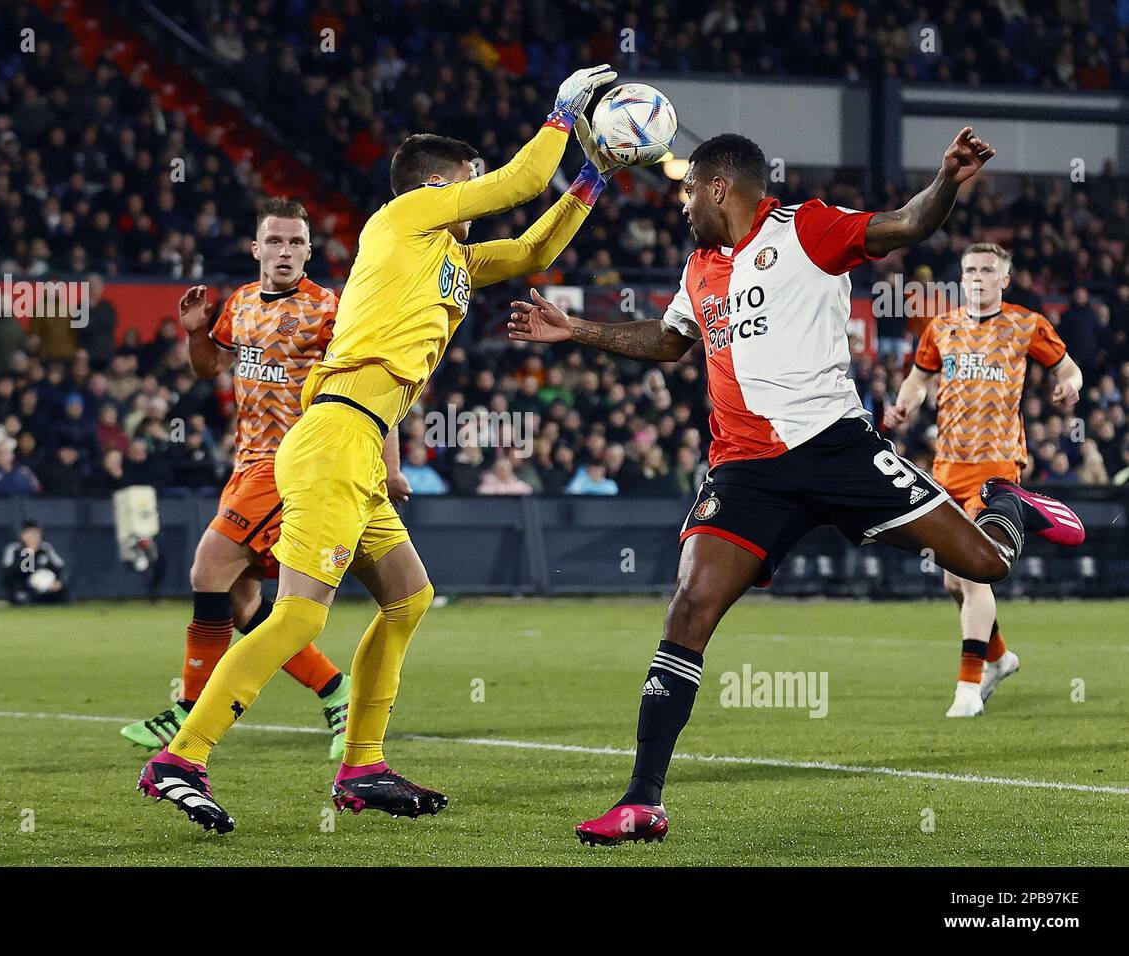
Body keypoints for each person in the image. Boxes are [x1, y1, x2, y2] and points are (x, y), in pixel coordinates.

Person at [508, 127, 1086, 846]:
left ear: (719, 187)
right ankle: (642, 800)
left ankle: (1009, 501)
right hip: (748, 472)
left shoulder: (806, 227)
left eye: (690, 190)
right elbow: (667, 341)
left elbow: (906, 225)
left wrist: (948, 180)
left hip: (838, 451)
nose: (682, 203)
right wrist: (577, 333)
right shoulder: (698, 268)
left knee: (986, 565)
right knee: (688, 608)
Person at [139, 65, 618, 834]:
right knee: (298, 616)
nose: (475, 188)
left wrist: (593, 179)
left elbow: (531, 250)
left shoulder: (453, 260)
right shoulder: (402, 221)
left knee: (408, 597)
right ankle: (181, 759)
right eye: (466, 180)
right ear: (434, 187)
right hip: (333, 434)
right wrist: (564, 113)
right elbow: (523, 180)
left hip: (357, 444)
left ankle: (361, 766)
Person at [121, 198, 400, 762]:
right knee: (245, 600)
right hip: (245, 464)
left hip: (293, 460)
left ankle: (189, 711)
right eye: (274, 241)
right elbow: (211, 367)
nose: (285, 251)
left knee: (207, 569)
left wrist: (388, 464)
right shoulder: (241, 304)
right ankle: (337, 692)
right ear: (256, 249)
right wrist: (196, 333)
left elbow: (372, 380)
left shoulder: (330, 310)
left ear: (309, 251)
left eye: (296, 242)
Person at [885, 242, 1083, 718]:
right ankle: (998, 657)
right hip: (946, 470)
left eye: (987, 270)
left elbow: (1069, 368)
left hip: (996, 472)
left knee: (974, 577)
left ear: (1004, 278)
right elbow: (917, 378)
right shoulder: (942, 328)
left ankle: (968, 688)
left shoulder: (1026, 324)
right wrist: (907, 401)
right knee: (954, 583)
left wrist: (1069, 386)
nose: (976, 276)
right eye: (970, 269)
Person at [1, 520, 69, 605]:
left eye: (37, 535)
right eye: (31, 535)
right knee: (23, 598)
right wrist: (29, 555)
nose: (34, 538)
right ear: (22, 535)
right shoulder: (13, 549)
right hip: (23, 588)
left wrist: (59, 582)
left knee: (63, 596)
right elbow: (9, 574)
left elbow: (60, 567)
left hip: (46, 588)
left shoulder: (45, 548)